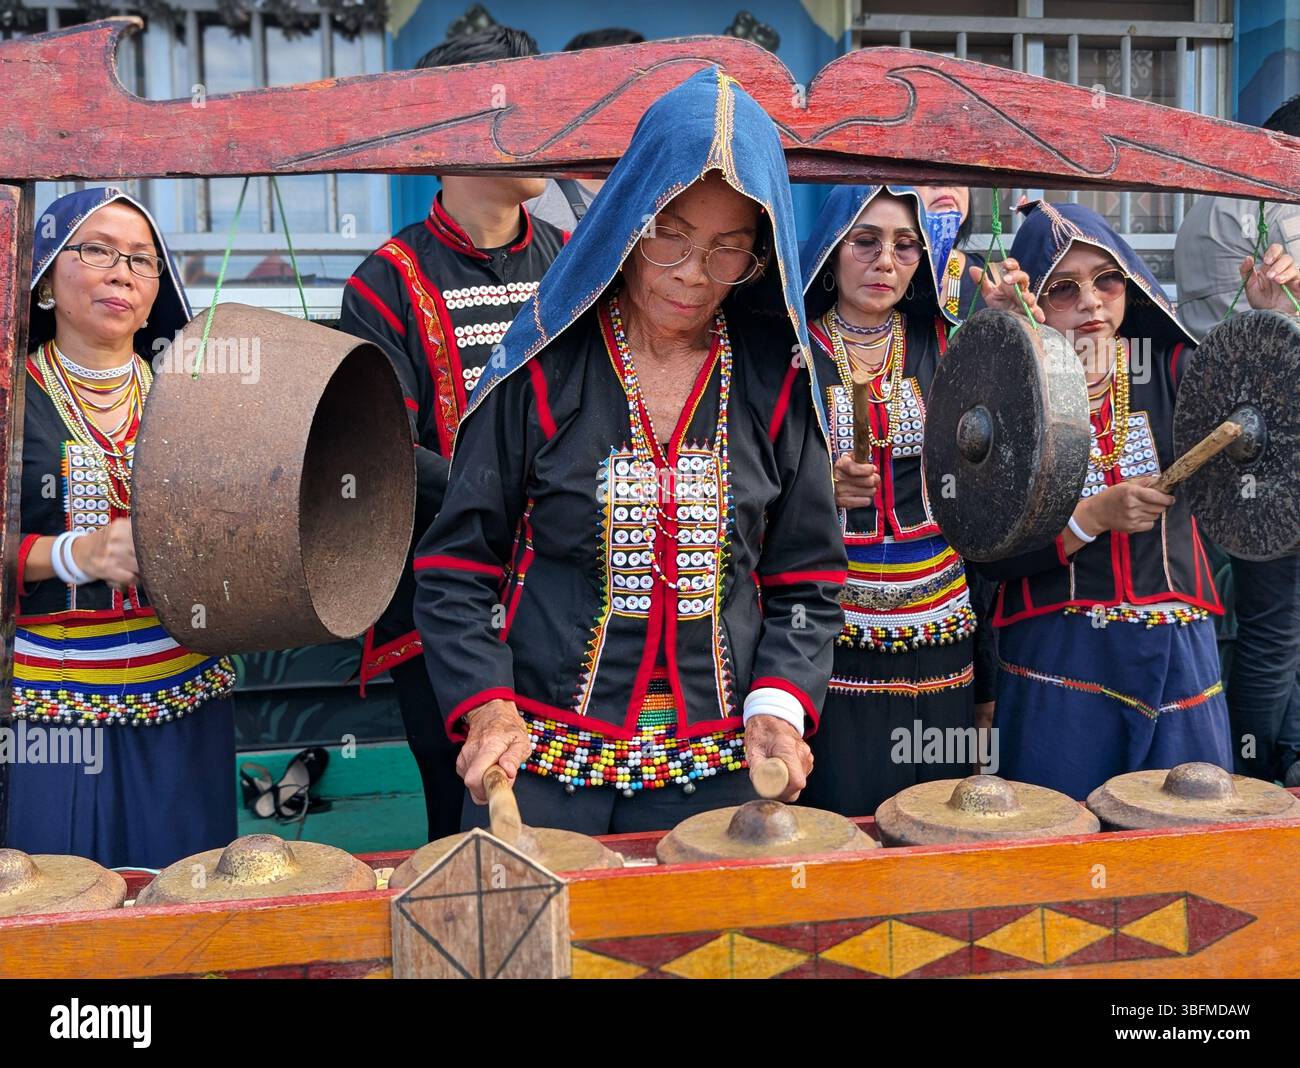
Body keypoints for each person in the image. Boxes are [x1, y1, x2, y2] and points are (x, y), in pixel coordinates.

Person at [413, 69, 846, 834]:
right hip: (541, 763)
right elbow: (457, 568)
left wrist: (778, 705)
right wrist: (485, 705)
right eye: (667, 236)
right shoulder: (540, 369)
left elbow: (807, 577)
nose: (690, 274)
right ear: (625, 220)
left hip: (722, 769)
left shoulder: (777, 383)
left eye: (727, 252)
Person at [976, 199, 1300, 799]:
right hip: (1059, 650)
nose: (1092, 301)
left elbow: (1274, 437)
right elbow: (986, 551)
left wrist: (1276, 324)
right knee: (1061, 835)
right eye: (1063, 288)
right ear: (1033, 303)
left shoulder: (1179, 371)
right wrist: (1090, 519)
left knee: (1188, 825)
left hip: (1177, 641)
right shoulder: (1007, 396)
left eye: (1107, 279)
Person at [336, 25, 566, 842]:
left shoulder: (580, 263)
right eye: (518, 111)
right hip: (444, 602)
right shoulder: (382, 284)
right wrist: (527, 496)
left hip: (568, 593)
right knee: (467, 824)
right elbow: (384, 455)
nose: (545, 128)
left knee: (577, 815)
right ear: (455, 133)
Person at [4, 187, 237, 868]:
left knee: (186, 898)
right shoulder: (11, 396)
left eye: (142, 260)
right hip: (54, 709)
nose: (121, 273)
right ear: (45, 275)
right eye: (98, 250)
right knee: (62, 904)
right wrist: (73, 555)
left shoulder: (193, 395)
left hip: (186, 694)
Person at [795, 186, 977, 818]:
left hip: (941, 614)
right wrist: (821, 489)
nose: (885, 262)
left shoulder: (944, 342)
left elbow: (997, 460)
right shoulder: (789, 354)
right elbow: (747, 477)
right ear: (833, 250)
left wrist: (1014, 325)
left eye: (905, 246)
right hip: (829, 619)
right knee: (844, 798)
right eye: (865, 242)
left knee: (940, 806)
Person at [1174, 92, 1300, 788]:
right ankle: (1256, 771)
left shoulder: (1205, 206)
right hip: (1278, 444)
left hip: (1218, 432)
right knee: (1276, 624)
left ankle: (1268, 757)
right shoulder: (1280, 214)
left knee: (1256, 614)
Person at [914, 183, 998, 735]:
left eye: (955, 175)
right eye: (925, 174)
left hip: (973, 492)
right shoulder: (878, 281)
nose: (945, 189)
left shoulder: (986, 281)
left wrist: (1011, 324)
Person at [523, 27, 646, 232]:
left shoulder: (667, 188)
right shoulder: (534, 197)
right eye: (625, 82)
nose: (639, 97)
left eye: (643, 81)